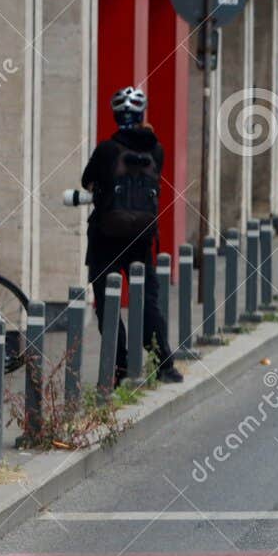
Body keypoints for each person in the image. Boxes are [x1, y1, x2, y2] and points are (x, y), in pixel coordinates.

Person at [81, 87, 182, 384]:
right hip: (141, 238)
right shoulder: (156, 151)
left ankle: (121, 364)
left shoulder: (107, 150)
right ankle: (165, 364)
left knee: (106, 300)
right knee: (148, 301)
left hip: (105, 237)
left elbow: (88, 181)